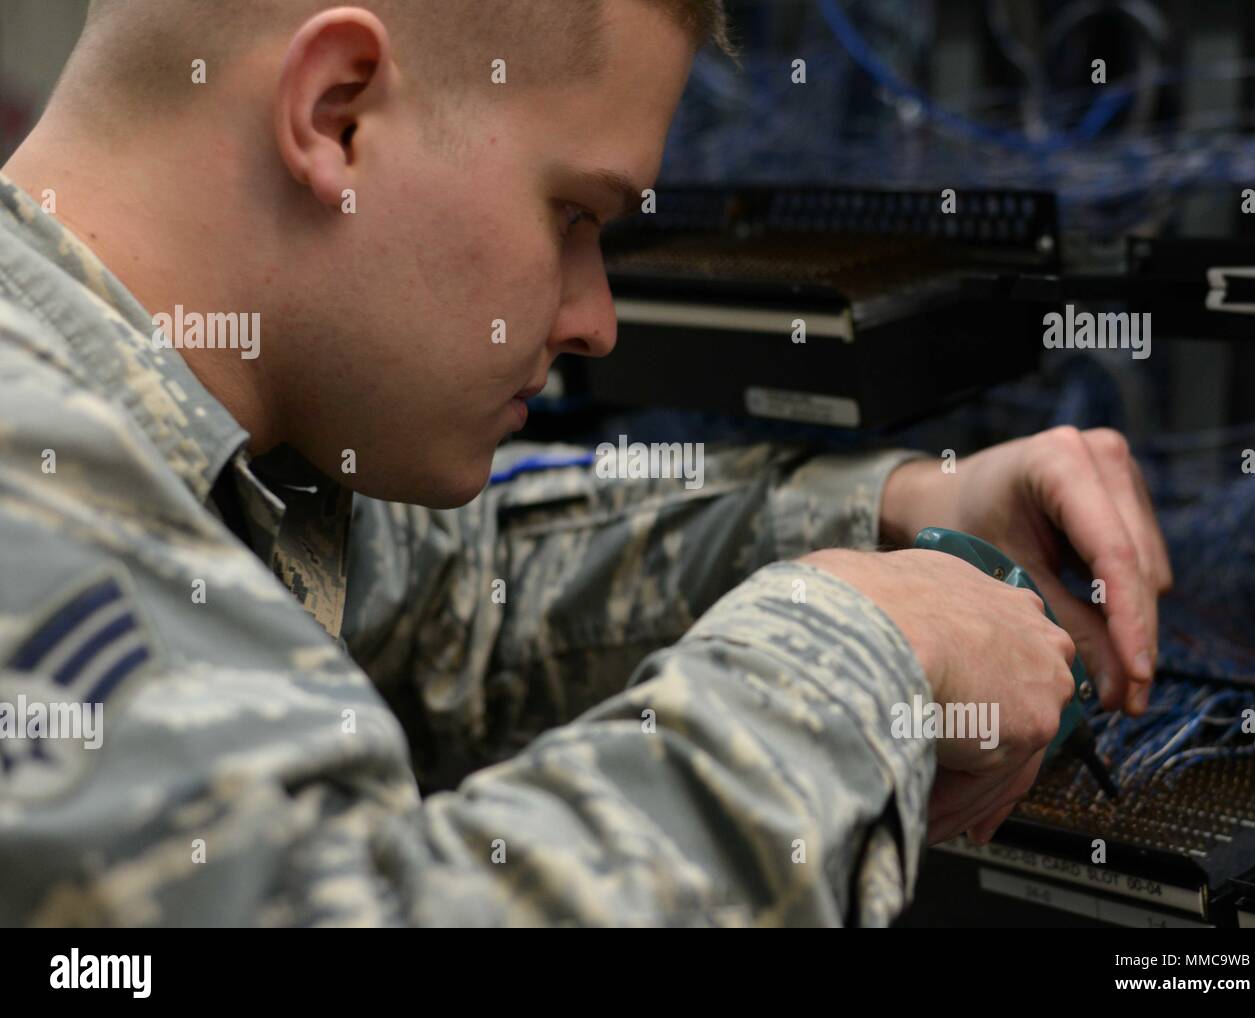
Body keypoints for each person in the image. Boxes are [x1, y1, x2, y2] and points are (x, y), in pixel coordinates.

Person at [0, 0, 1170, 926]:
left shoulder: (181, 445)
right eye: (575, 215)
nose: (593, 316)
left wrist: (898, 518)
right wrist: (865, 649)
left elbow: (467, 599)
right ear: (337, 112)